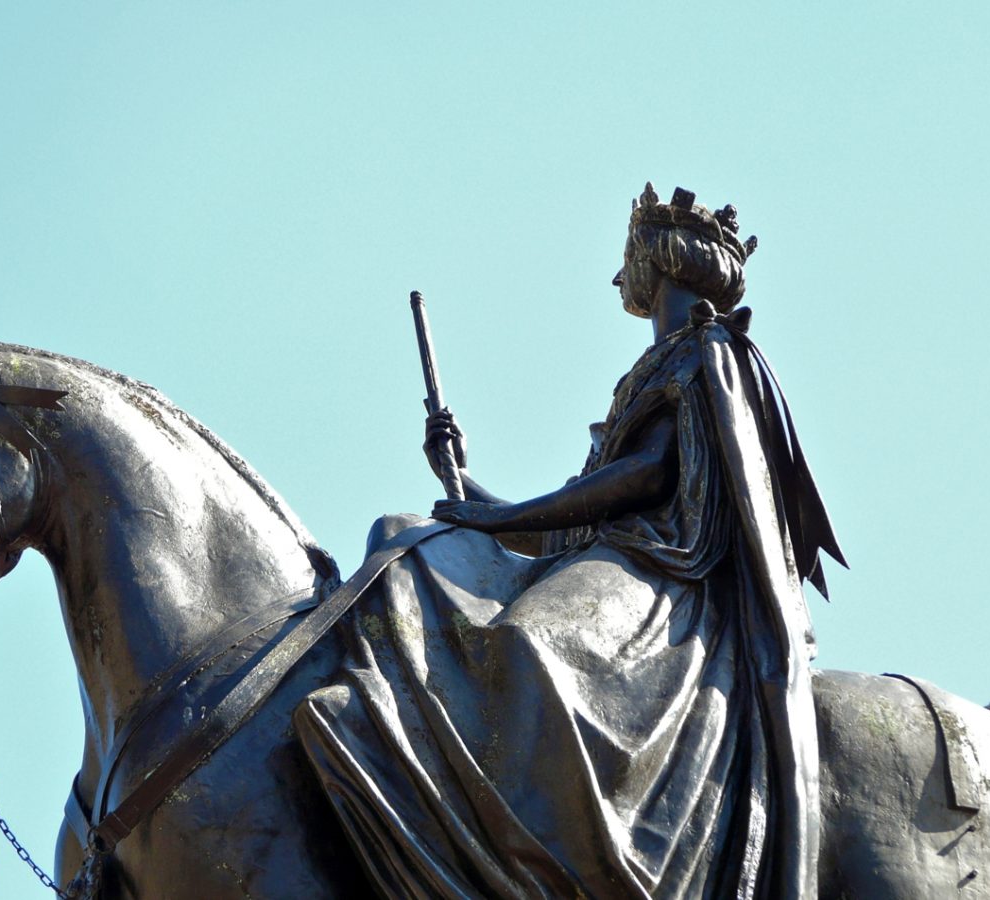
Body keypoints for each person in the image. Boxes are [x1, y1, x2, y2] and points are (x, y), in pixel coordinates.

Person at [295, 184, 844, 899]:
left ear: (657, 261)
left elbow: (646, 475)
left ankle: (544, 858)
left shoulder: (707, 351)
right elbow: (568, 525)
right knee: (407, 540)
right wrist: (465, 484)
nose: (620, 277)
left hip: (665, 573)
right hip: (610, 554)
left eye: (628, 260)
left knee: (527, 642)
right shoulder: (649, 371)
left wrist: (496, 520)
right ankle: (406, 753)